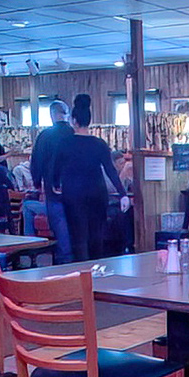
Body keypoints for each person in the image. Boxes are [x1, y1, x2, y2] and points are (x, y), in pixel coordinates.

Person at [53, 94, 130, 262]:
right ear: (89, 120)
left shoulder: (64, 143)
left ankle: (82, 276)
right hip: (97, 193)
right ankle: (97, 272)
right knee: (96, 236)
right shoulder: (100, 144)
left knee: (78, 237)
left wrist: (55, 185)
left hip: (73, 193)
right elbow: (110, 170)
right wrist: (123, 194)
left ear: (73, 120)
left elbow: (55, 169)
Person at [29, 99, 74, 263]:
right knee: (75, 230)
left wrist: (37, 184)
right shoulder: (74, 133)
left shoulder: (45, 136)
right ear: (67, 114)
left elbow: (36, 162)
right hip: (75, 189)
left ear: (52, 115)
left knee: (60, 229)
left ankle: (63, 268)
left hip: (52, 190)